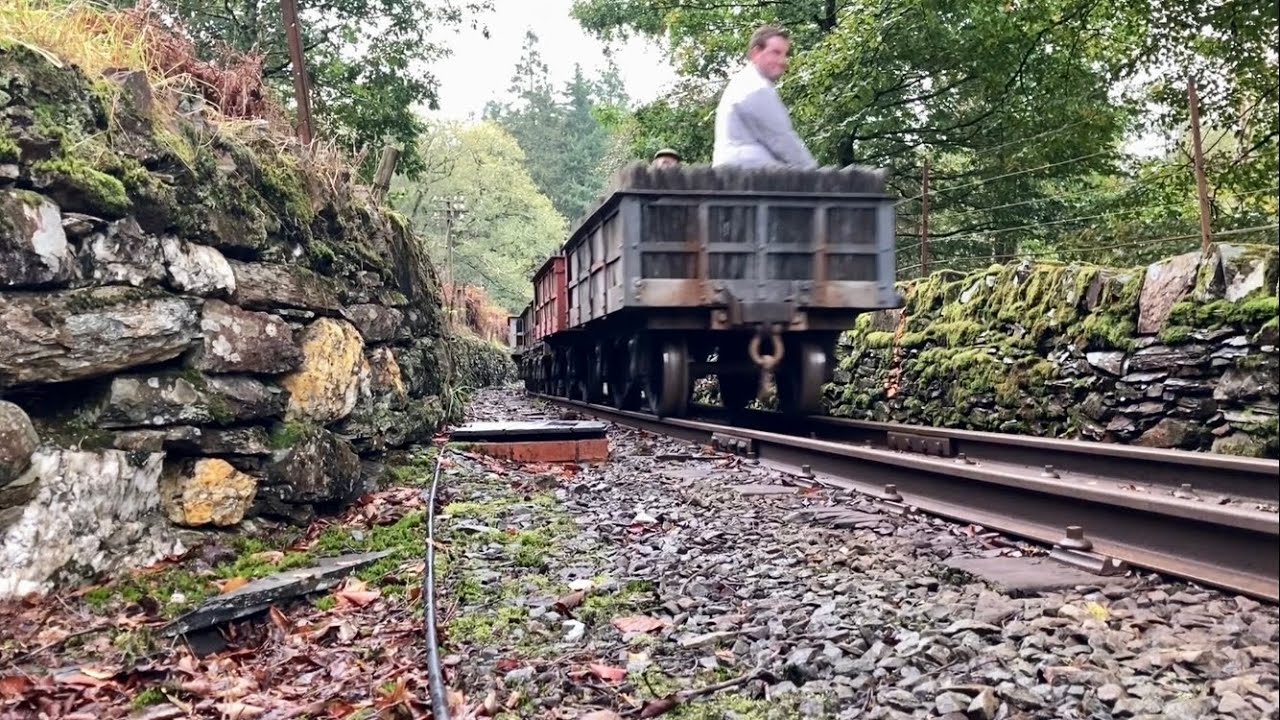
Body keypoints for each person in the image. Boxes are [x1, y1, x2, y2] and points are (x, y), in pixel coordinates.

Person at [712, 25, 818, 171]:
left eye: (786, 54)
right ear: (756, 53)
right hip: (750, 178)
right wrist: (816, 174)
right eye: (776, 52)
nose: (783, 61)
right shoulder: (756, 87)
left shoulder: (742, 82)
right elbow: (782, 140)